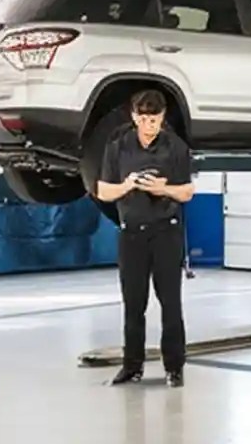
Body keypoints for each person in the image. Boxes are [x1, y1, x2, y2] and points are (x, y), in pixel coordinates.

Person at [95, 89, 195, 387]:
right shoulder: (118, 148)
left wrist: (162, 189)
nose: (150, 124)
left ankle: (174, 367)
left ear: (163, 117)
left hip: (166, 233)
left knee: (171, 304)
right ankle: (132, 366)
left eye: (155, 119)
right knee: (133, 304)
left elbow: (187, 192)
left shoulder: (175, 147)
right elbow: (103, 191)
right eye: (145, 118)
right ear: (134, 117)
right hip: (132, 236)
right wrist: (127, 185)